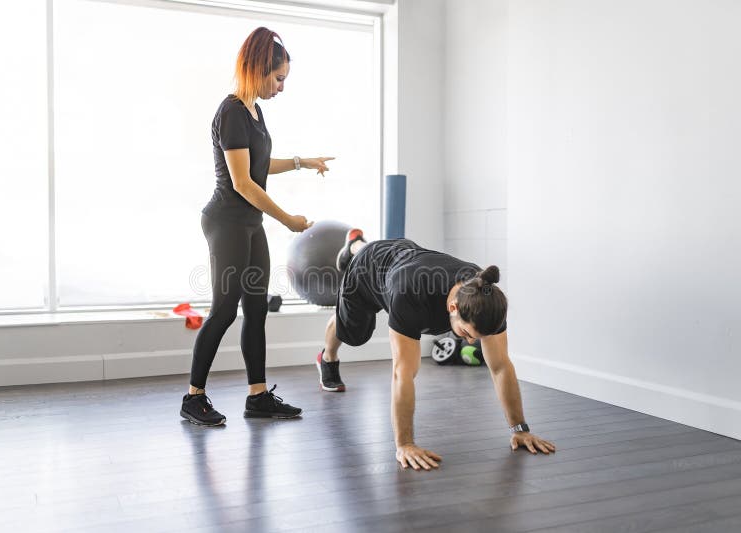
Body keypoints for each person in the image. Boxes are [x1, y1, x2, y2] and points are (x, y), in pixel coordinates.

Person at [181, 27, 334, 426]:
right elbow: (243, 182)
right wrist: (287, 220)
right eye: (278, 78)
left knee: (256, 309)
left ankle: (258, 396)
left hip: (250, 223)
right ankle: (193, 398)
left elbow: (261, 164)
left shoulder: (254, 112)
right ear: (259, 69)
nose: (281, 88)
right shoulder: (231, 111)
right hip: (226, 221)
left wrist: (303, 160)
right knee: (223, 311)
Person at [316, 232, 557, 469]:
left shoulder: (484, 296)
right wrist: (405, 444)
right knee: (353, 333)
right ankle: (328, 357)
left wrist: (520, 429)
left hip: (404, 255)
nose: (472, 343)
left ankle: (357, 244)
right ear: (453, 307)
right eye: (467, 334)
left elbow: (501, 366)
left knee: (493, 354)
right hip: (367, 271)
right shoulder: (410, 293)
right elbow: (403, 373)